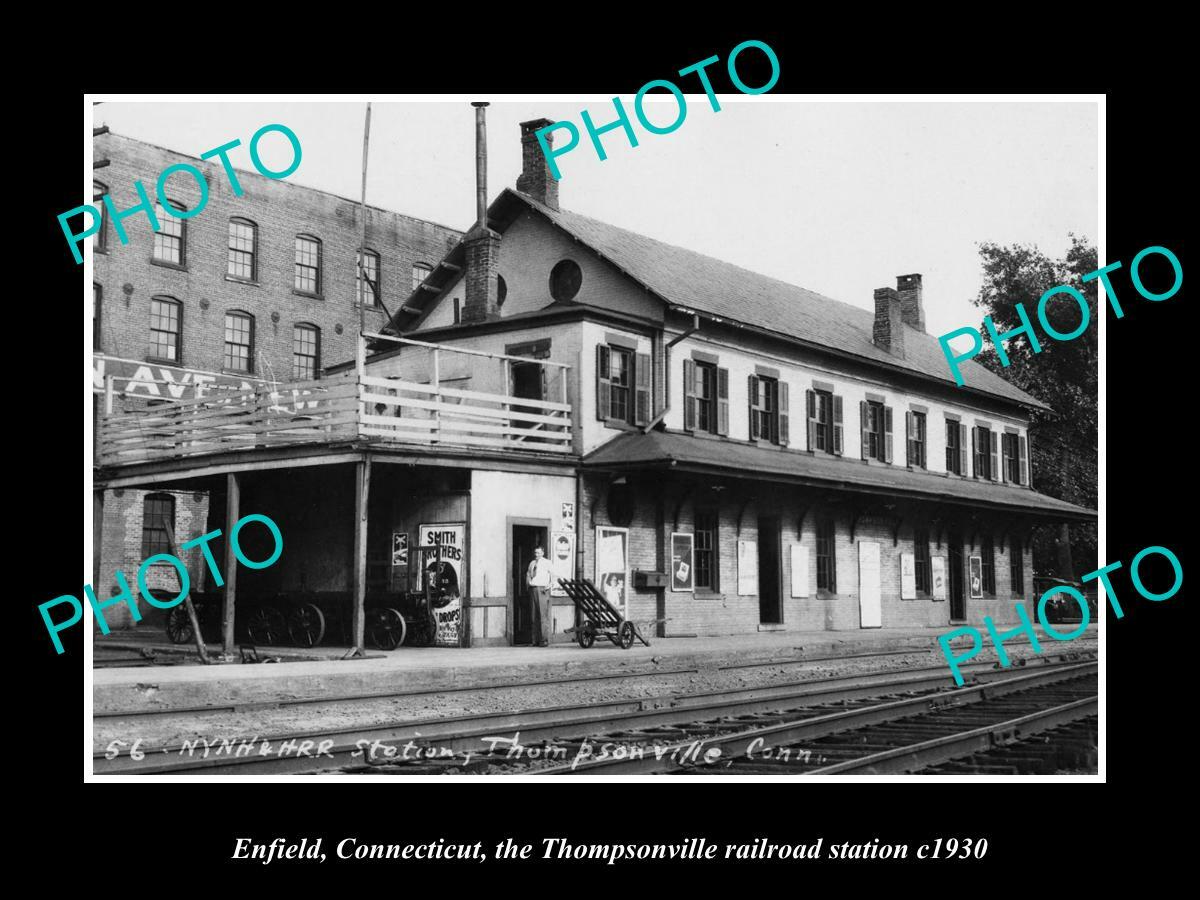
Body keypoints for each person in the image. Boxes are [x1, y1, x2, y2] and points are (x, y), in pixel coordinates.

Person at [526, 546, 553, 647]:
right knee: (534, 615)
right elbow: (528, 574)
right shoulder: (532, 563)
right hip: (533, 588)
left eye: (538, 553)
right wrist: (529, 583)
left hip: (542, 589)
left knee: (542, 615)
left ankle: (543, 640)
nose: (536, 555)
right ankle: (535, 640)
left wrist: (549, 585)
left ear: (543, 553)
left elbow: (552, 575)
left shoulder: (547, 562)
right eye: (535, 553)